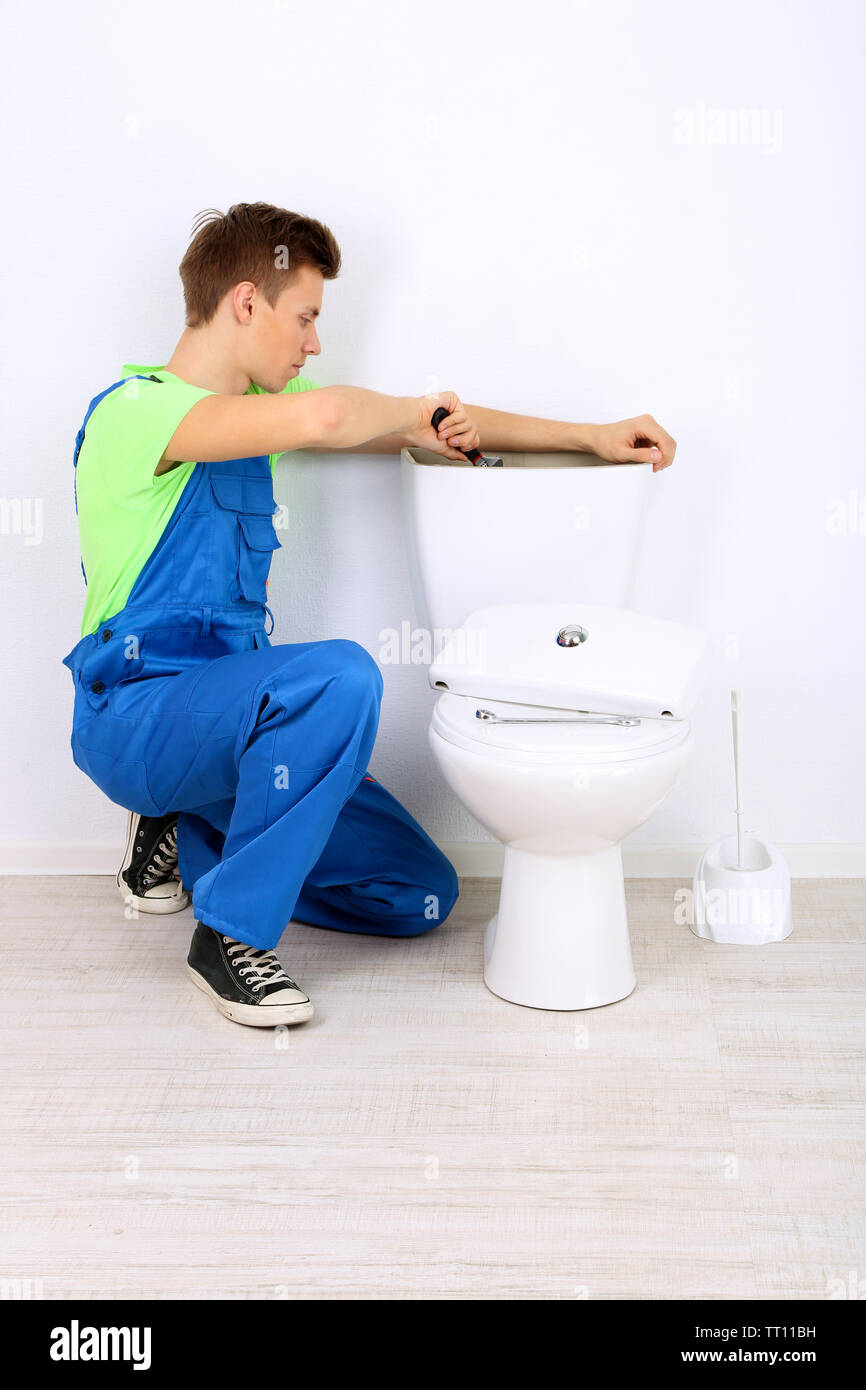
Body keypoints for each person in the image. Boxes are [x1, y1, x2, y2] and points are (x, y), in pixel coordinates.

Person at [62, 201, 677, 1030]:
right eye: (307, 317)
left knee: (420, 893)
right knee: (341, 677)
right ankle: (230, 938)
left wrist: (592, 438)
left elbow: (425, 424)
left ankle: (188, 835)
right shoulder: (137, 414)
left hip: (233, 731)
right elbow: (332, 415)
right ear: (246, 301)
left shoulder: (253, 421)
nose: (314, 342)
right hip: (137, 717)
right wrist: (406, 412)